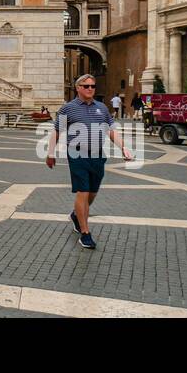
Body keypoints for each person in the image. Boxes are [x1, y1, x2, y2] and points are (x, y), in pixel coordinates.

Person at [45, 73, 134, 250]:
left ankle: (76, 215)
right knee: (83, 191)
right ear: (78, 88)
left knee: (92, 193)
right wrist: (50, 153)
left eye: (93, 86)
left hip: (97, 155)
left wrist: (123, 147)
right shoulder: (67, 109)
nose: (90, 89)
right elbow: (57, 131)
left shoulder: (102, 107)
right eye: (86, 86)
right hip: (77, 154)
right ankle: (85, 233)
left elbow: (111, 131)